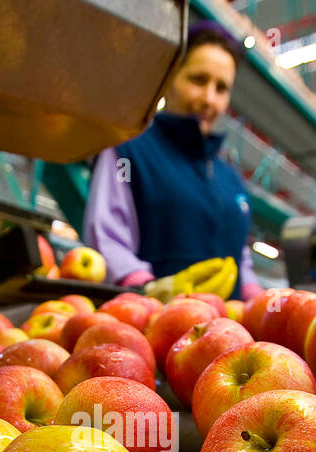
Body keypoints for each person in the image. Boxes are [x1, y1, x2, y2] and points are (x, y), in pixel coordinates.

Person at [82, 20, 264, 302]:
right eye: (198, 80)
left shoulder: (231, 180)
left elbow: (241, 257)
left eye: (221, 88)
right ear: (168, 79)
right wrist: (149, 292)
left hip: (231, 336)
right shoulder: (127, 152)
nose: (209, 98)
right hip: (153, 332)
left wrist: (256, 298)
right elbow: (107, 240)